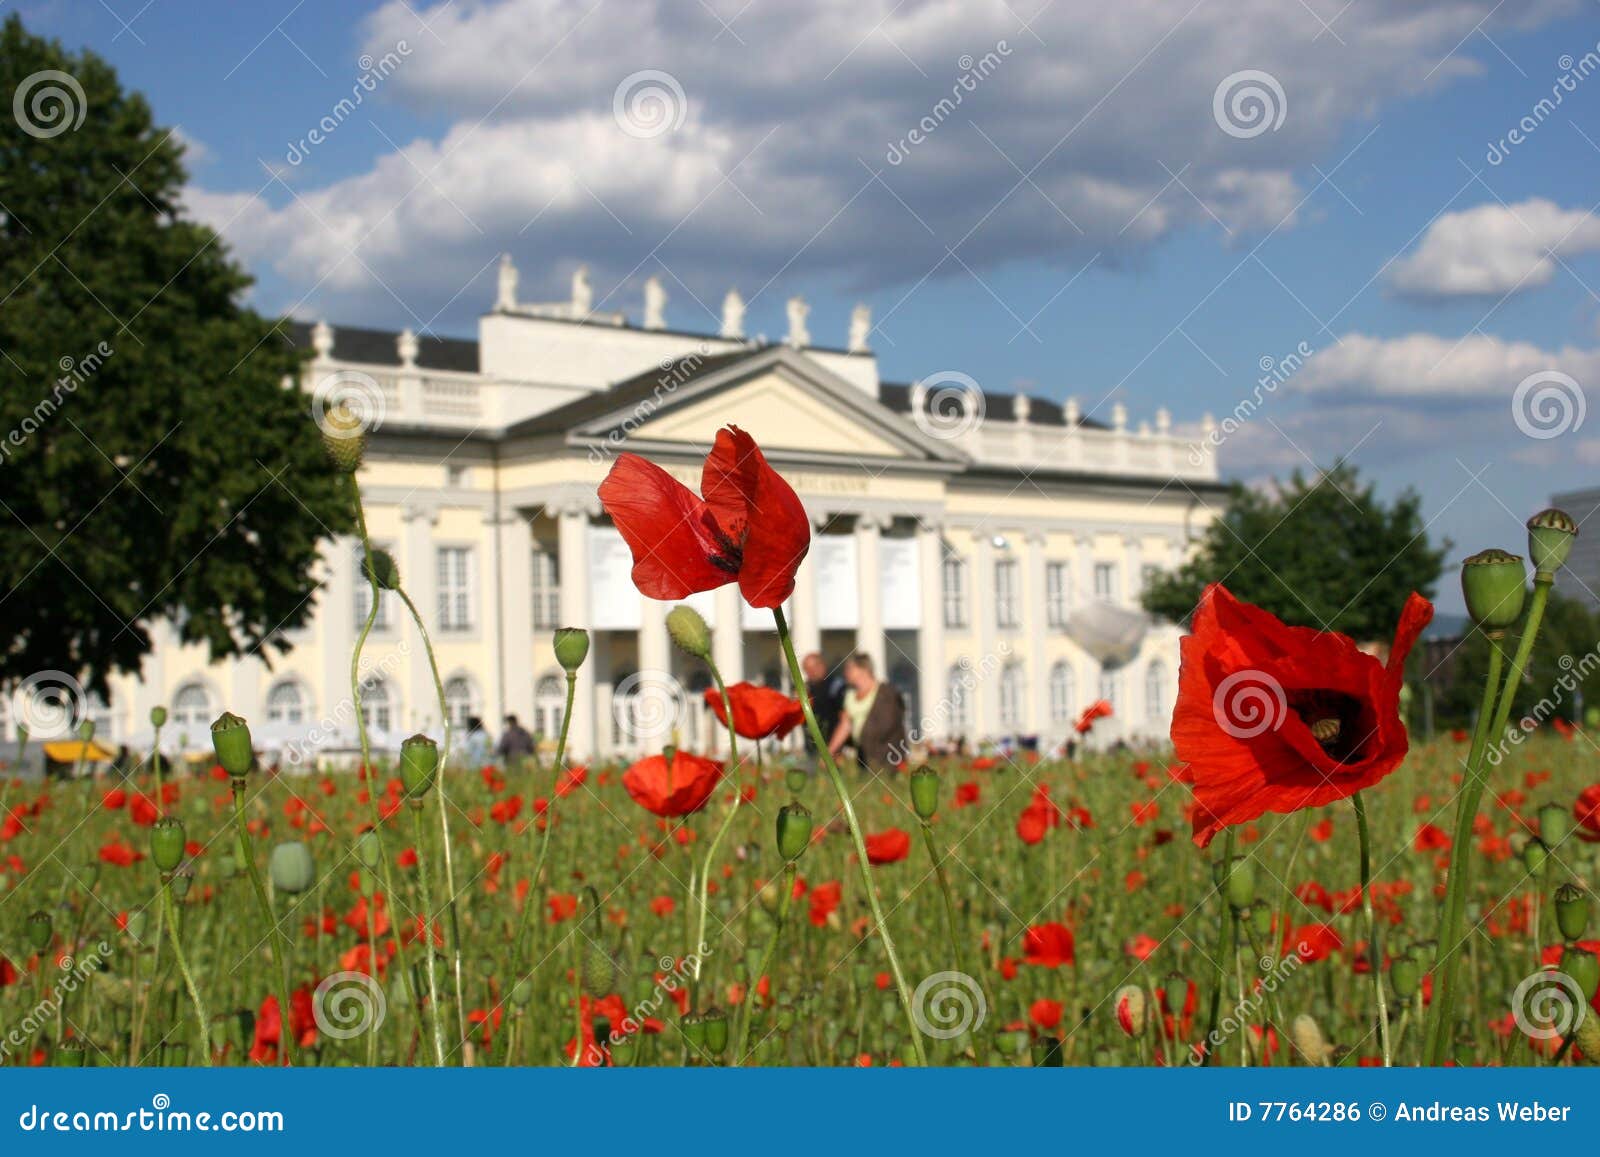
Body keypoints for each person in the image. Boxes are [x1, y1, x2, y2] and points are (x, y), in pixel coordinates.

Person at [827, 652, 907, 773]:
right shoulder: (850, 694)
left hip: (888, 757)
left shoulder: (887, 693)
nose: (845, 673)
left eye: (849, 669)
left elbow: (888, 724)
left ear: (863, 669)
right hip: (863, 758)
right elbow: (845, 725)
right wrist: (829, 752)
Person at [802, 652, 845, 753]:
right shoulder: (806, 689)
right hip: (812, 748)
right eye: (807, 669)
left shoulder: (836, 685)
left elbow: (844, 718)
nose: (811, 672)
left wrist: (833, 749)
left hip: (834, 748)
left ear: (822, 665)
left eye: (814, 667)